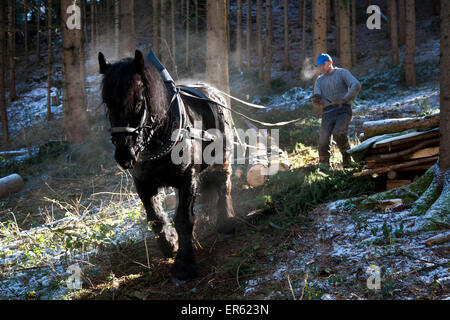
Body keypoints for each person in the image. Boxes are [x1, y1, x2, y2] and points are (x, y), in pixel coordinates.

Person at [312, 53, 361, 168]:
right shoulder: (319, 81)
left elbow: (356, 84)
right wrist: (316, 100)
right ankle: (324, 168)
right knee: (323, 142)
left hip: (343, 110)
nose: (321, 68)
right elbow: (316, 97)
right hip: (327, 113)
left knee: (338, 133)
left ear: (330, 63)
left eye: (323, 65)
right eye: (319, 66)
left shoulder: (342, 73)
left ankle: (347, 159)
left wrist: (346, 98)